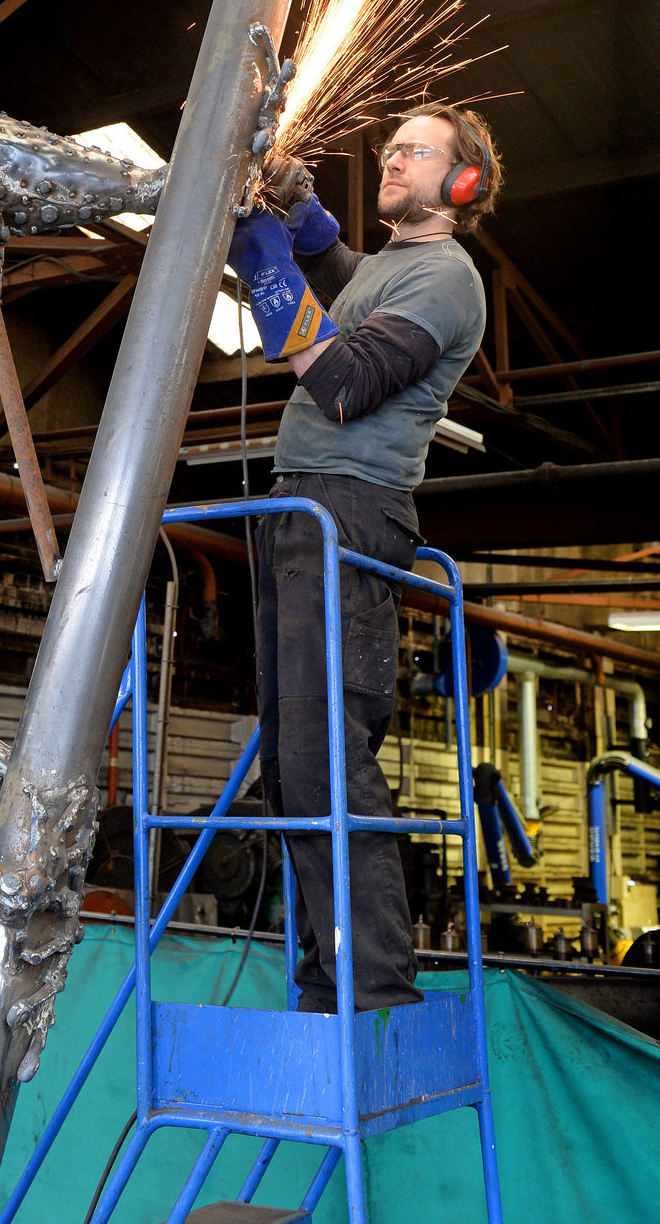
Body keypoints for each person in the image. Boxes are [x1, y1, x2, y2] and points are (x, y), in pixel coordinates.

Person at [228, 100, 502, 1012]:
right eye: (391, 148)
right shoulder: (388, 268)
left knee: (323, 756)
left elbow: (343, 382)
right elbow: (346, 282)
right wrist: (306, 228)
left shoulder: (448, 279)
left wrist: (267, 263)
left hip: (350, 513)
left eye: (416, 152)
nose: (392, 160)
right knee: (292, 765)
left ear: (461, 182)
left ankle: (375, 987)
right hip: (303, 509)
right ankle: (327, 980)